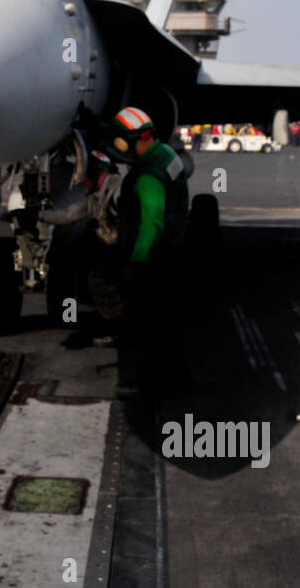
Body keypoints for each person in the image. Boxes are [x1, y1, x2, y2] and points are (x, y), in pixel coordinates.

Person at [105, 107, 191, 387]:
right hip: (175, 251)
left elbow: (151, 221)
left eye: (120, 139)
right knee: (170, 322)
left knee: (143, 323)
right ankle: (173, 376)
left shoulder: (147, 175)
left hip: (153, 260)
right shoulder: (166, 154)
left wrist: (137, 261)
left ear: (133, 139)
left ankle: (142, 382)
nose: (118, 145)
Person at [39, 151, 129, 346]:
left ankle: (121, 329)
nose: (83, 183)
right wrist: (38, 216)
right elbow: (66, 216)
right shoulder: (96, 197)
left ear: (96, 175)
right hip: (113, 247)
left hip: (129, 249)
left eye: (85, 178)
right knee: (79, 264)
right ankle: (83, 318)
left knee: (104, 280)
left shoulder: (120, 192)